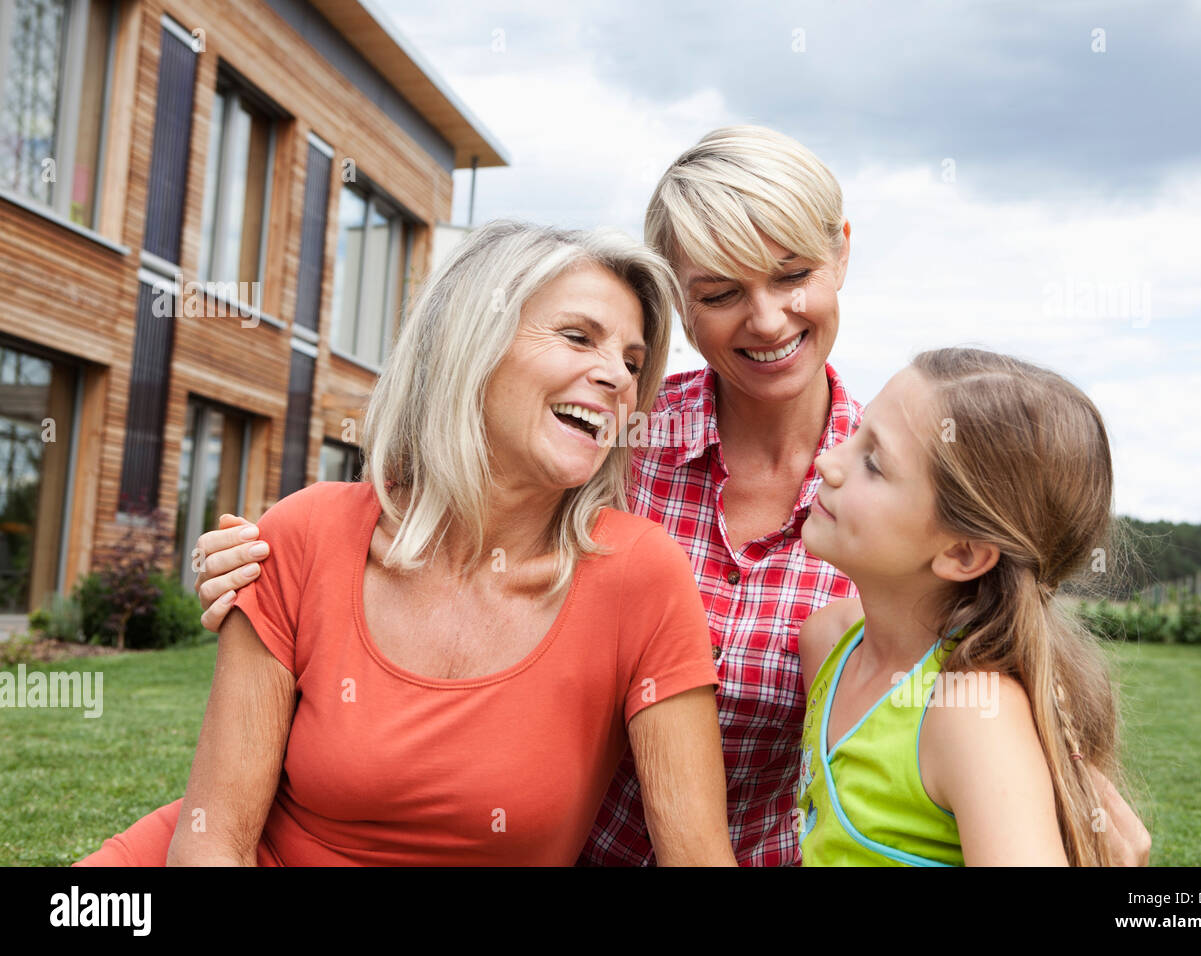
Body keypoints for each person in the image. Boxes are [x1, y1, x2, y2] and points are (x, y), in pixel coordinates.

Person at [192, 126, 1149, 866]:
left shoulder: (908, 485)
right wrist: (262, 562)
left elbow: (996, 621)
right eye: (722, 291)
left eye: (793, 275)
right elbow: (439, 503)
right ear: (682, 304)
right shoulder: (610, 449)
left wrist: (1069, 778)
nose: (768, 318)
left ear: (842, 254)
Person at [75, 221, 736, 866]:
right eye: (577, 337)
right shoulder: (305, 533)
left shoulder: (640, 576)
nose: (617, 378)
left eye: (632, 362)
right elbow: (212, 839)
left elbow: (697, 854)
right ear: (470, 343)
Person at [797, 348, 1135, 865]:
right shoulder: (829, 643)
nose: (828, 461)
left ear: (962, 553)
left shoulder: (971, 713)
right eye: (856, 434)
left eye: (873, 463)